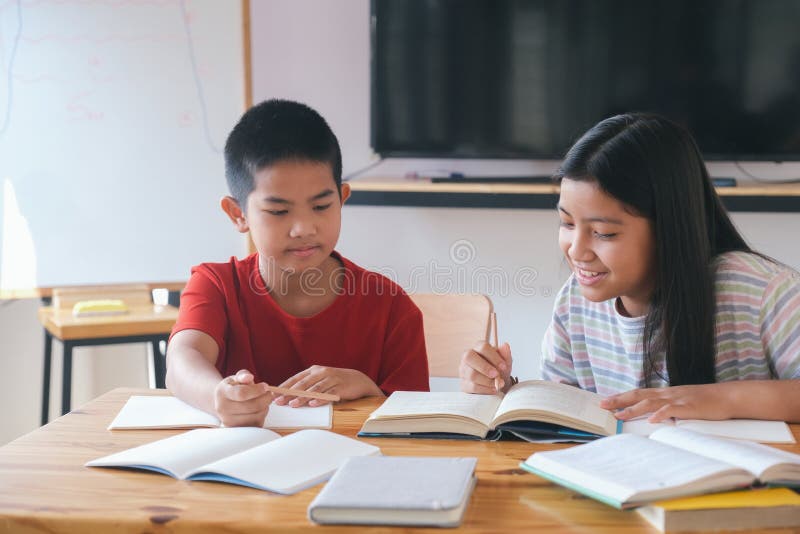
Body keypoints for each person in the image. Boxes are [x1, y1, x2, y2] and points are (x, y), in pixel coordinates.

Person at [460, 113, 800, 423]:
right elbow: (560, 414)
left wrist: (722, 399)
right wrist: (503, 390)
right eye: (566, 223)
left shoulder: (762, 292)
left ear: (669, 227)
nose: (576, 250)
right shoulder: (574, 303)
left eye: (604, 233)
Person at [166, 99, 429, 427]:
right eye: (278, 211)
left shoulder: (390, 305)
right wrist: (216, 396)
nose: (304, 228)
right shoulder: (216, 285)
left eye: (321, 206)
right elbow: (183, 361)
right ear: (238, 214)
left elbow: (417, 426)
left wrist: (367, 388)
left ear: (342, 199)